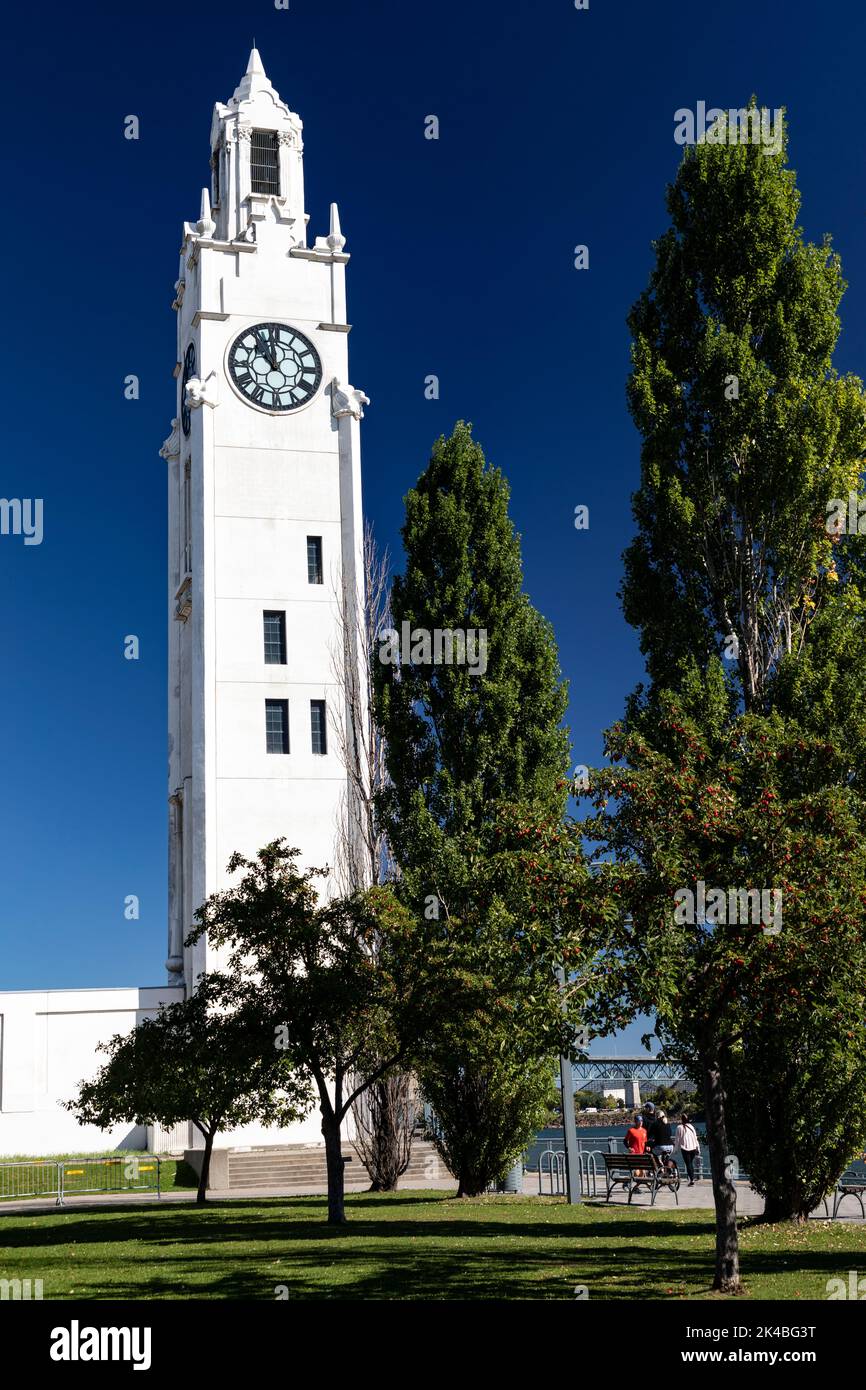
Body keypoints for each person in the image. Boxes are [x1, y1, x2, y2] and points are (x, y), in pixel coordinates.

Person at [646, 1108, 676, 1175]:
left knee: (653, 1153)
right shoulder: (667, 1124)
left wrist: (648, 1142)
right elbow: (670, 1134)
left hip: (661, 1146)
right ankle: (668, 1168)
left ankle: (659, 1167)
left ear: (657, 1116)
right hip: (671, 1146)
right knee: (666, 1155)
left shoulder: (655, 1124)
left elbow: (650, 1134)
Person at [675, 1112, 701, 1186]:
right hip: (693, 1148)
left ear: (682, 1119)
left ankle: (692, 1179)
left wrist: (675, 1150)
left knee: (688, 1164)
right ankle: (692, 1178)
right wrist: (698, 1148)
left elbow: (677, 1140)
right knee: (690, 1164)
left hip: (685, 1148)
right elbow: (695, 1138)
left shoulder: (679, 1127)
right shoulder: (692, 1127)